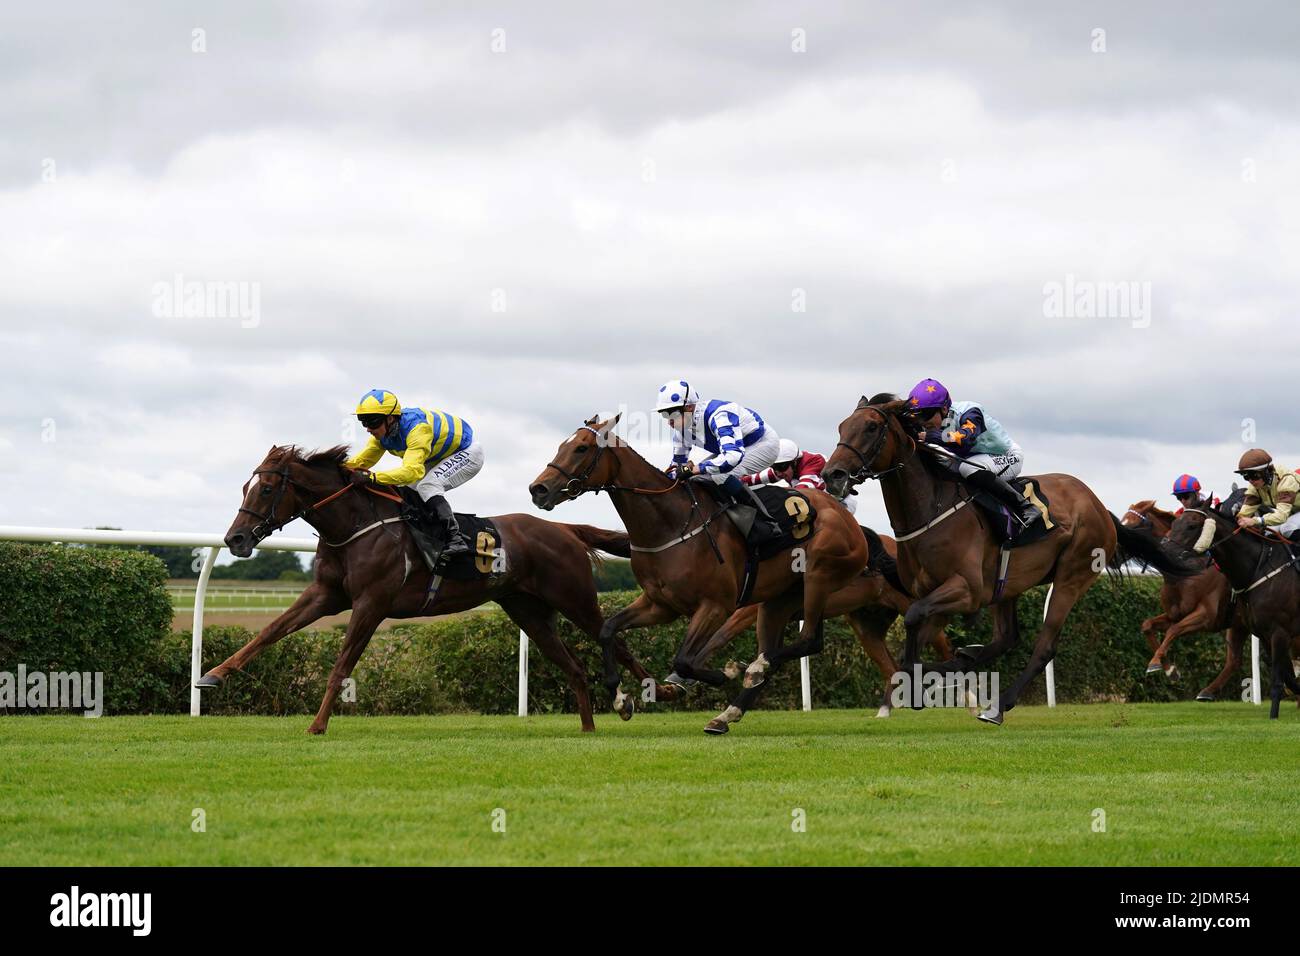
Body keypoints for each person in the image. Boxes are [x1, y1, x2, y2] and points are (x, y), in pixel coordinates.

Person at [344, 389, 481, 564]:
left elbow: (412, 472)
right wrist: (336, 469)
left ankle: (455, 538)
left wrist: (372, 478)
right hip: (436, 456)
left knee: (428, 486)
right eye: (363, 422)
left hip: (467, 452)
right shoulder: (382, 434)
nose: (368, 429)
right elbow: (361, 461)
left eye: (372, 422)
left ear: (391, 418)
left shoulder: (417, 428)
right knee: (407, 492)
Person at [906, 378, 1040, 529]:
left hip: (1007, 456)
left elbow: (964, 439)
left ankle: (1026, 507)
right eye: (918, 417)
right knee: (941, 464)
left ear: (943, 409)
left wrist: (929, 436)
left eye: (926, 416)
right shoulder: (936, 418)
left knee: (967, 469)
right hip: (973, 457)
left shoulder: (970, 412)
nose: (923, 422)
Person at [654, 379, 783, 536]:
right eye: (664, 415)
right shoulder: (681, 430)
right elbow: (677, 467)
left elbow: (732, 457)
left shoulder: (719, 415)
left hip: (763, 445)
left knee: (720, 474)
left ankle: (766, 523)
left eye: (671, 413)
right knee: (695, 478)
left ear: (689, 407)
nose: (669, 422)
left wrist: (694, 469)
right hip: (735, 449)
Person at [1233, 449, 1300, 539]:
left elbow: (1281, 516)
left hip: (1289, 513)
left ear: (1267, 471)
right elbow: (1246, 512)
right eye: (1246, 477)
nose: (1251, 480)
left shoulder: (1286, 480)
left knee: (1287, 529)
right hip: (1291, 512)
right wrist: (1238, 517)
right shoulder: (1255, 486)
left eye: (1254, 475)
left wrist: (1255, 520)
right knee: (1267, 532)